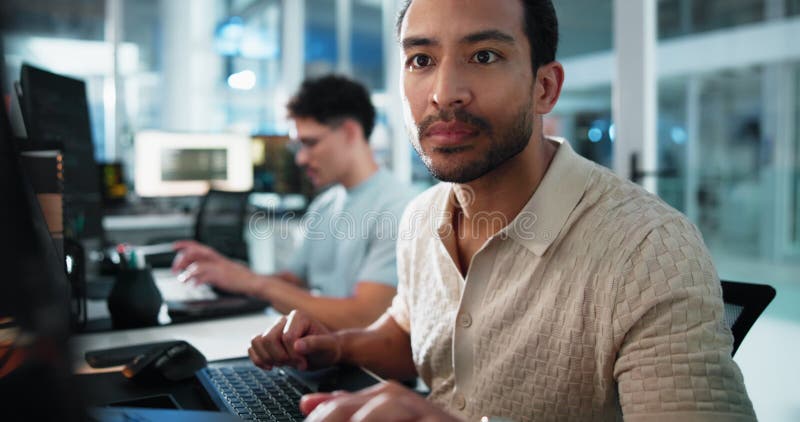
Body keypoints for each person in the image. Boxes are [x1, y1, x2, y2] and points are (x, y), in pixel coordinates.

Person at [248, 0, 758, 421]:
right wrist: (336, 348)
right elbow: (412, 334)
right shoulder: (422, 217)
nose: (444, 93)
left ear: (545, 88)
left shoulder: (649, 249)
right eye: (421, 60)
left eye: (485, 55)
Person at [172, 75, 416, 330]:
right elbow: (293, 282)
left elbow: (364, 317)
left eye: (310, 143)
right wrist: (228, 271)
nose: (300, 159)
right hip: (321, 350)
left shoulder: (400, 209)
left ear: (349, 132)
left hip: (367, 366)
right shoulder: (325, 204)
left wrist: (254, 283)